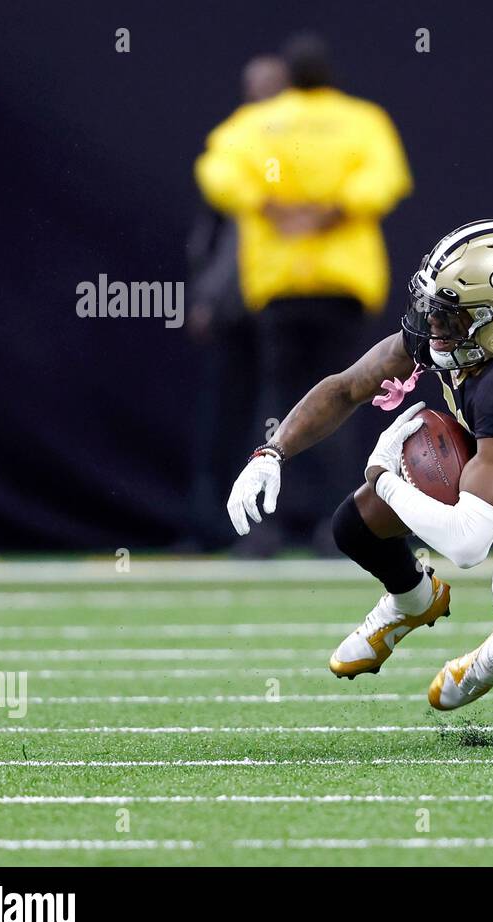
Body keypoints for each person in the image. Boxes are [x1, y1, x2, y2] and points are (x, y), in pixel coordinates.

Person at [225, 221, 493, 708]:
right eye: (434, 309)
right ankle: (413, 599)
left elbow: (468, 543)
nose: (433, 326)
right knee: (355, 523)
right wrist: (272, 452)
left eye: (452, 316)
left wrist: (384, 475)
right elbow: (348, 386)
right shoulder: (479, 338)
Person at [196, 34, 413, 550]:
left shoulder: (258, 122)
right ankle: (336, 524)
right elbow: (387, 178)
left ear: (289, 77)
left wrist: (269, 205)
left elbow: (216, 171)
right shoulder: (362, 119)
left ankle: (262, 527)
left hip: (280, 280)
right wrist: (334, 209)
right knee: (348, 394)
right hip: (342, 280)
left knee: (275, 395)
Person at [184, 55, 288, 551]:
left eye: (272, 87)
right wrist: (205, 298)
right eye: (256, 88)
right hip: (235, 305)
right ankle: (209, 527)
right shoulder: (235, 147)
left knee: (275, 418)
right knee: (223, 416)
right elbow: (218, 236)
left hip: (284, 304)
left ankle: (268, 527)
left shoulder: (307, 149)